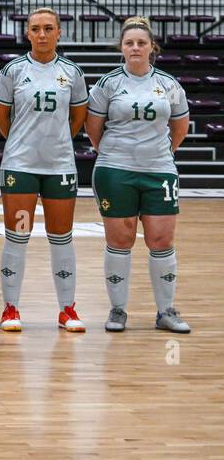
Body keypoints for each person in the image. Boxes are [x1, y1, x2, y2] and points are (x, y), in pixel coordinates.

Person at [87, 17, 191, 333]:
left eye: (141, 43)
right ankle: (118, 310)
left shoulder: (169, 84)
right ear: (122, 47)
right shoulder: (108, 84)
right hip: (115, 170)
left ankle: (166, 311)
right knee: (121, 239)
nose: (135, 47)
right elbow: (94, 130)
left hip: (158, 171)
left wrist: (160, 153)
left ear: (151, 48)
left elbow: (179, 128)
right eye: (130, 42)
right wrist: (116, 154)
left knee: (161, 239)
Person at [0, 7, 89, 332]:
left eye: (49, 28)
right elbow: (1, 117)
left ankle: (67, 310)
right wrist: (25, 142)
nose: (43, 34)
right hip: (20, 166)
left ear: (59, 32)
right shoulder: (13, 70)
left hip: (60, 165)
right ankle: (10, 308)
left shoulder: (73, 73)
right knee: (17, 236)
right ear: (28, 34)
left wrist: (54, 142)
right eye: (36, 29)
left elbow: (77, 118)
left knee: (61, 237)